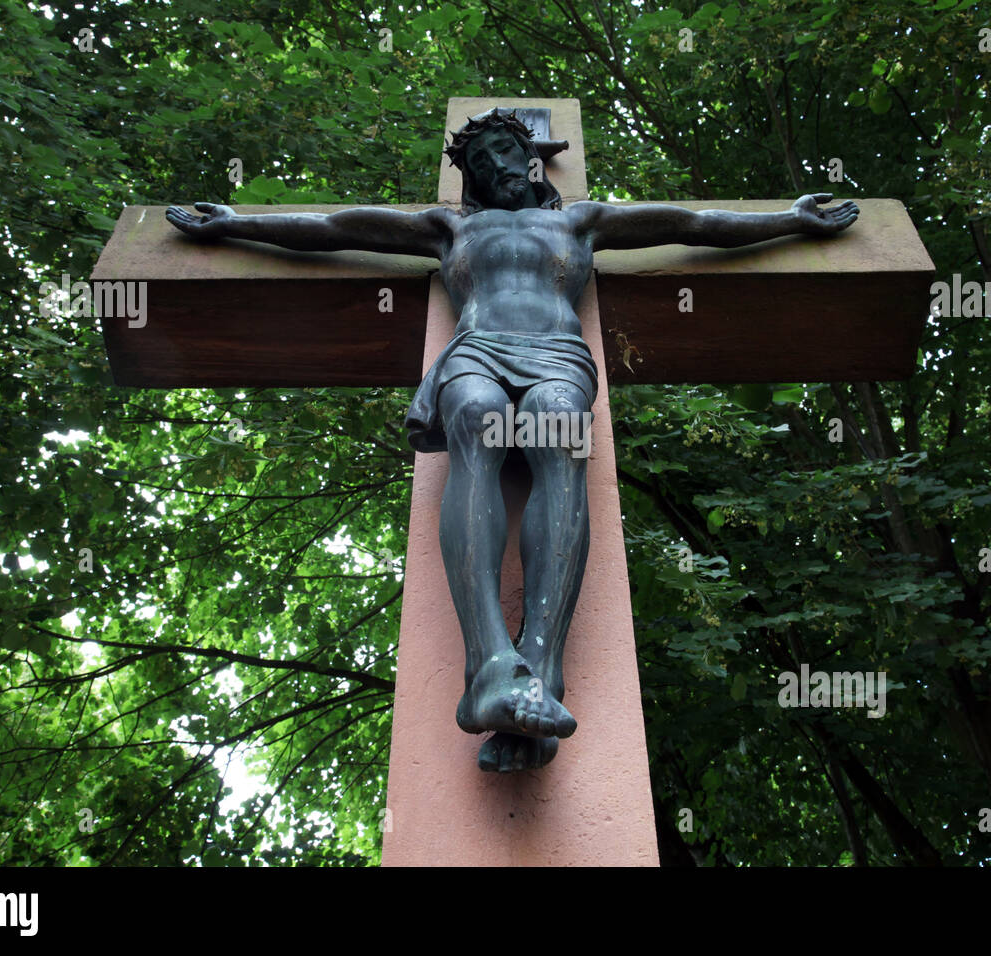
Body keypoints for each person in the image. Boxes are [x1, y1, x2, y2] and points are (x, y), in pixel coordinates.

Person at [166, 108, 858, 772]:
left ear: (533, 159)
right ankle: (491, 665)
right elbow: (339, 228)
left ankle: (541, 667)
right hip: (477, 353)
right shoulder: (450, 227)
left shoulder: (581, 220)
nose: (497, 167)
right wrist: (237, 224)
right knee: (473, 417)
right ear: (469, 177)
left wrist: (789, 221)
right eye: (480, 161)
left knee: (561, 431)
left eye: (505, 152)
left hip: (557, 354)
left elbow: (691, 223)